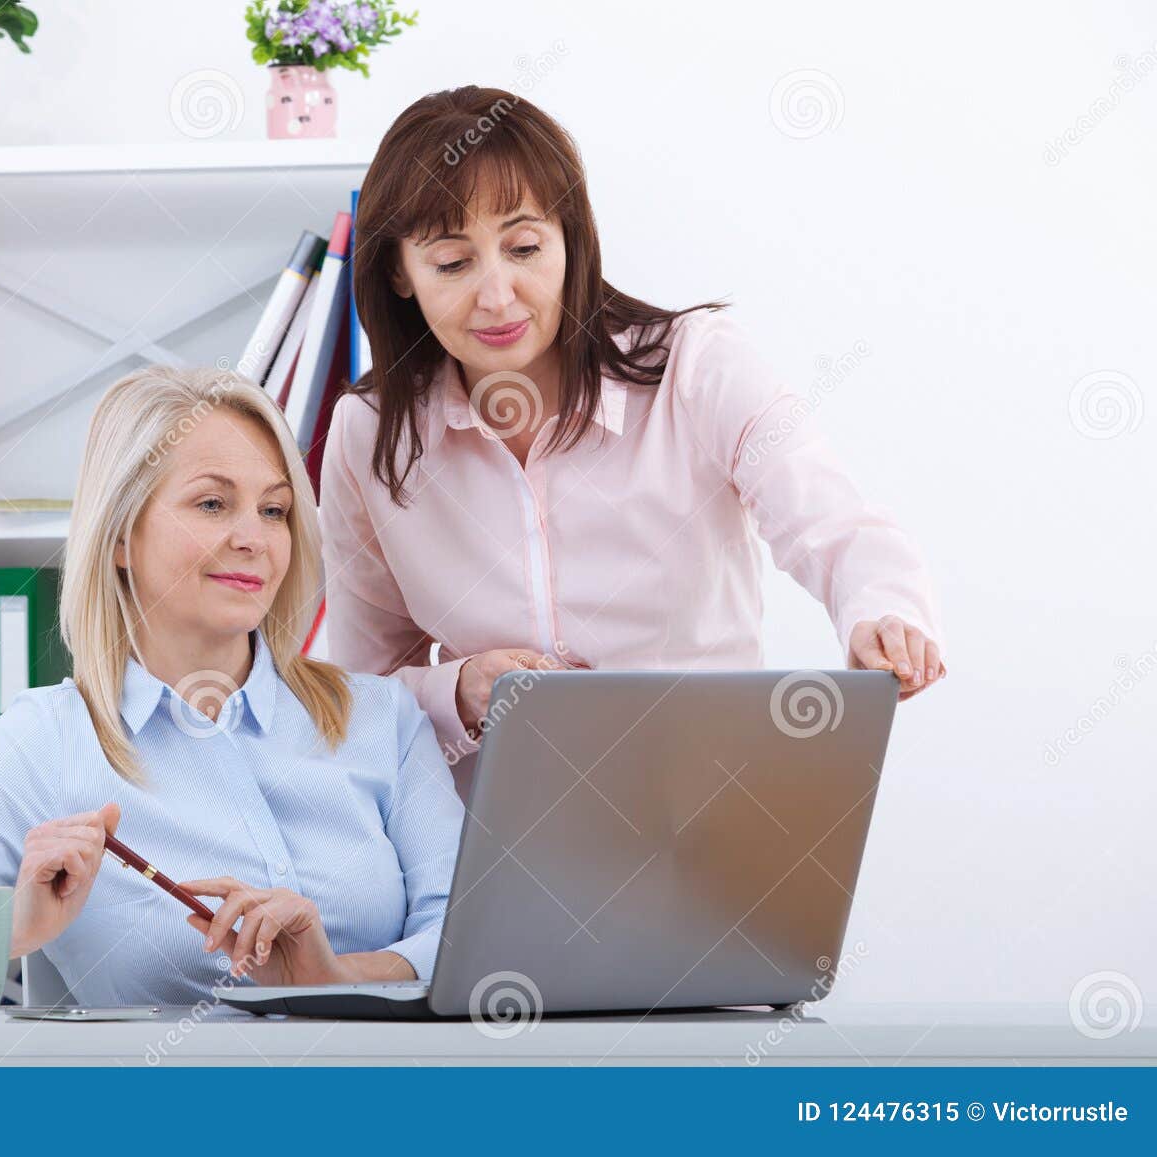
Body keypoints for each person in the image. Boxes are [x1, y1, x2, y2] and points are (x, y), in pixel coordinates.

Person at [320, 86, 946, 792]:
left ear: (570, 239)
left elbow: (833, 524)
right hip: (496, 835)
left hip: (711, 808)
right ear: (399, 273)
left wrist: (882, 615)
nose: (498, 296)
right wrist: (457, 691)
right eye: (453, 263)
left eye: (524, 247)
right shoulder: (370, 433)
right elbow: (361, 694)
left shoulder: (695, 366)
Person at [0, 366, 463, 1008]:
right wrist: (2, 931)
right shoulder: (50, 741)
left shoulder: (383, 720)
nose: (253, 537)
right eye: (213, 502)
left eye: (275, 510)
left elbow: (470, 939)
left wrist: (335, 979)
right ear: (120, 536)